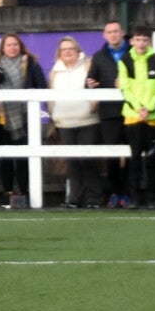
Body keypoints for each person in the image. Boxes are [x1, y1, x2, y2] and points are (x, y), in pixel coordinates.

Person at [0, 32, 47, 209]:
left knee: (24, 159)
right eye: (9, 45)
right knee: (5, 158)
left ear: (20, 46)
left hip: (25, 118)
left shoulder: (29, 63)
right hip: (2, 118)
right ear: (2, 48)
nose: (12, 48)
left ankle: (23, 193)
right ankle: (8, 194)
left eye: (15, 44)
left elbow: (42, 85)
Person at [47, 37, 100, 208]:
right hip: (64, 123)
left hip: (87, 120)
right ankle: (75, 199)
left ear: (78, 50)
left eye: (71, 48)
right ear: (59, 53)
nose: (68, 52)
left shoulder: (87, 65)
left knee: (89, 161)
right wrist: (54, 115)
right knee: (72, 163)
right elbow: (50, 97)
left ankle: (94, 198)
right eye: (64, 49)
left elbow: (96, 87)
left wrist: (93, 107)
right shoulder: (55, 72)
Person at [119, 28, 155, 208]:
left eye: (144, 40)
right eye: (137, 39)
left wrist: (150, 108)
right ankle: (134, 198)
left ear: (149, 41)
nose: (141, 43)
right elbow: (125, 88)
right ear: (132, 41)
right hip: (133, 118)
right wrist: (138, 108)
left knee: (152, 160)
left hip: (153, 117)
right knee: (134, 160)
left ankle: (152, 198)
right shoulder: (125, 60)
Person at [86, 21, 130, 208]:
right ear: (104, 35)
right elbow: (89, 82)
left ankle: (128, 193)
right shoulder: (98, 57)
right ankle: (114, 192)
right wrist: (89, 84)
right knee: (112, 155)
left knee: (130, 154)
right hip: (109, 113)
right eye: (109, 32)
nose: (113, 35)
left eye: (116, 31)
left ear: (122, 33)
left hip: (132, 112)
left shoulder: (134, 54)